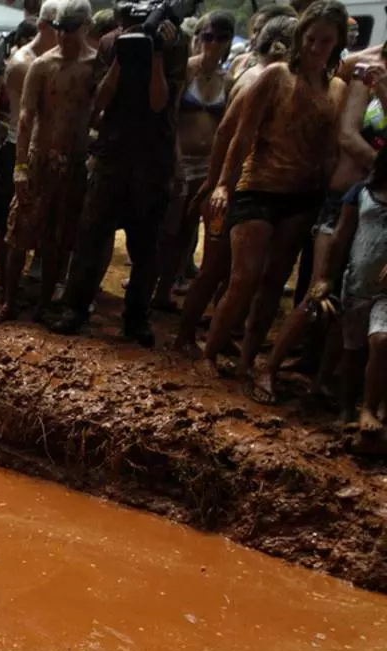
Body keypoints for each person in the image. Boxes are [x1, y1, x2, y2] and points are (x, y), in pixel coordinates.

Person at [200, 0, 348, 380]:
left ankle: (251, 362)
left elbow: (331, 150)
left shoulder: (337, 88)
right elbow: (241, 134)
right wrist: (221, 184)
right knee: (244, 277)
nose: (317, 48)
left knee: (273, 283)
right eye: (311, 39)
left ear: (337, 42)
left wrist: (331, 201)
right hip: (258, 187)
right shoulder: (275, 76)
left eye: (325, 41)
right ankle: (209, 355)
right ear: (301, 38)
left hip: (303, 196)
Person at [249, 40, 384, 402]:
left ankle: (323, 378)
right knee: (319, 287)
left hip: (380, 206)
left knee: (357, 297)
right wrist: (381, 167)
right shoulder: (364, 69)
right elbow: (347, 135)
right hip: (346, 196)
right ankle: (269, 368)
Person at [52, 0, 190, 347]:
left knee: (145, 248)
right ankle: (75, 310)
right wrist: (121, 56)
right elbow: (100, 101)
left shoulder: (174, 42)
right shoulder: (111, 41)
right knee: (90, 238)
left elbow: (160, 102)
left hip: (152, 160)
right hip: (113, 155)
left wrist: (155, 52)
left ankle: (136, 319)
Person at [174, 14, 297, 355]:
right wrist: (216, 185)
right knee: (214, 268)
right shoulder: (256, 78)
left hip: (244, 186)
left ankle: (216, 331)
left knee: (229, 272)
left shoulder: (269, 78)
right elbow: (226, 135)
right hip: (235, 187)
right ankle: (185, 336)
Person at [0, 0, 98, 323]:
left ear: (85, 28)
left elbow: (101, 113)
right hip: (38, 159)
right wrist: (20, 167)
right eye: (60, 30)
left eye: (71, 30)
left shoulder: (95, 66)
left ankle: (41, 307)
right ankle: (9, 303)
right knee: (19, 231)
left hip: (75, 162)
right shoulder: (42, 65)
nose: (65, 37)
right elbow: (24, 118)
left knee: (58, 237)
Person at [152, 10, 235, 311]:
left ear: (228, 41)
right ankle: (151, 285)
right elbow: (170, 117)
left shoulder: (228, 79)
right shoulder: (185, 70)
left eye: (221, 37)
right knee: (167, 227)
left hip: (208, 163)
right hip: (180, 157)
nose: (213, 43)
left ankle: (165, 289)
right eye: (207, 36)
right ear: (197, 38)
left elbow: (227, 127)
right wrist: (175, 160)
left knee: (189, 231)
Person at [330, 148, 387, 432]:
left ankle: (369, 409)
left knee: (380, 340)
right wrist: (324, 279)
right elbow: (340, 236)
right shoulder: (360, 193)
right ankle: (344, 409)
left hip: (385, 293)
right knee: (351, 351)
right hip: (356, 284)